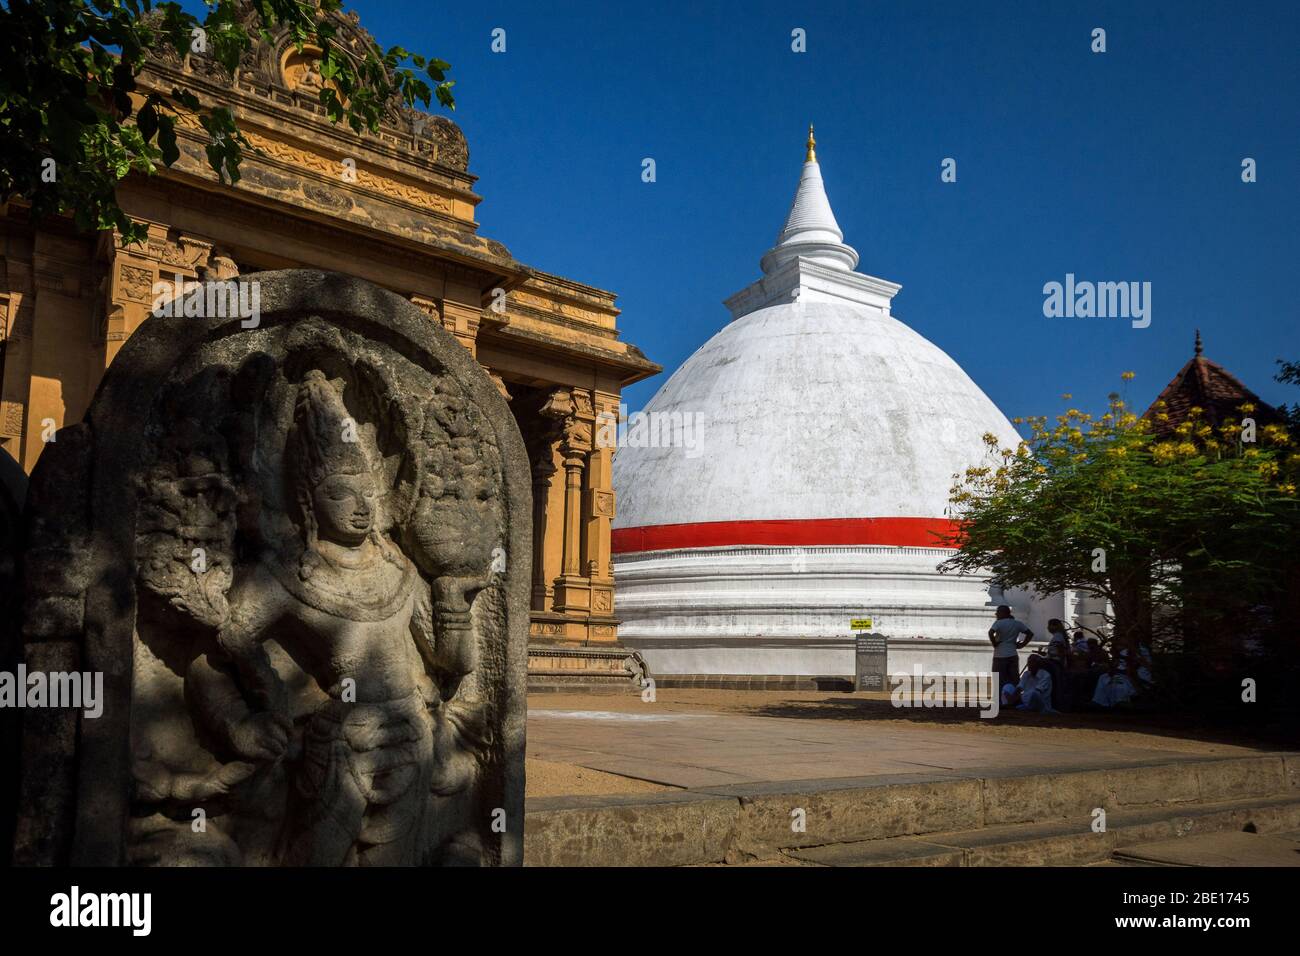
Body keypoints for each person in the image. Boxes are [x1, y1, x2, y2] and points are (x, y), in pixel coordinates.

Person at [988, 605, 1033, 694]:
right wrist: (1022, 644)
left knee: (999, 679)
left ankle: (1000, 701)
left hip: (1000, 655)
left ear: (1003, 613)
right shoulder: (1017, 623)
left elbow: (990, 632)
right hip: (1012, 654)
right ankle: (1013, 699)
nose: (996, 614)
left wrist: (994, 643)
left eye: (998, 612)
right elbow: (1030, 634)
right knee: (1013, 678)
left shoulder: (998, 623)